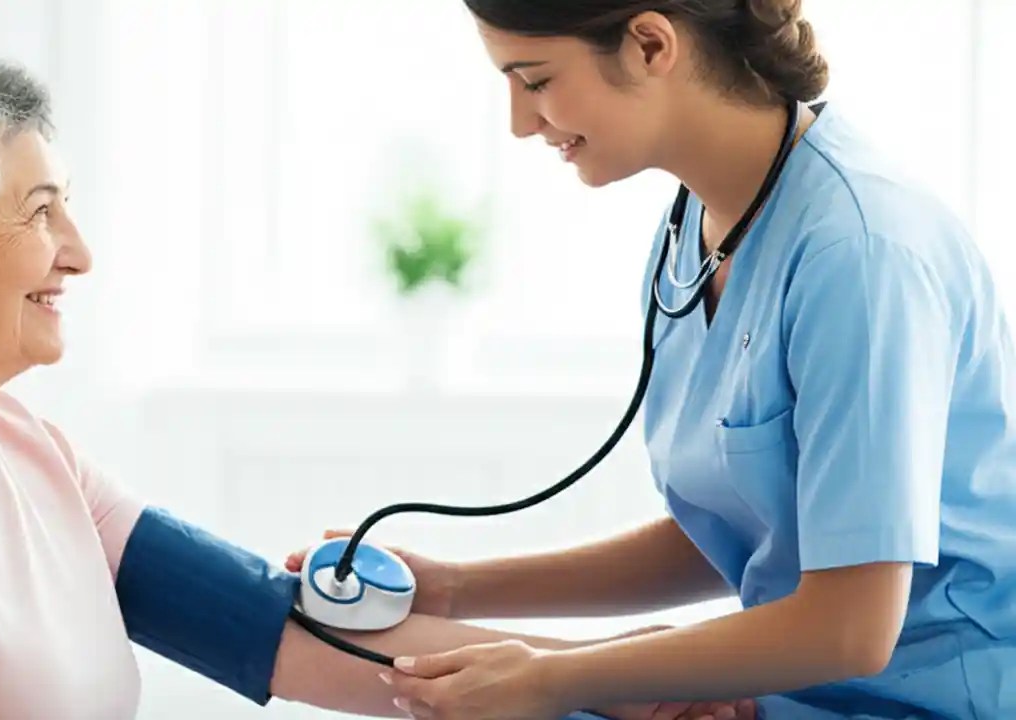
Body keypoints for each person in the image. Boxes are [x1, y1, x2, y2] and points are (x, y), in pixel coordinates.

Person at [0, 34, 755, 720]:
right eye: (36, 212)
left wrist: (601, 688)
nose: (78, 252)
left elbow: (264, 621)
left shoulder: (13, 443)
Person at [287, 1, 1016, 718]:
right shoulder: (696, 233)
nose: (518, 122)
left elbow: (852, 627)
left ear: (648, 45)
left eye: (534, 80)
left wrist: (563, 678)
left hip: (938, 699)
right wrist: (456, 587)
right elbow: (750, 530)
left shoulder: (859, 255)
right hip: (797, 691)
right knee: (376, 652)